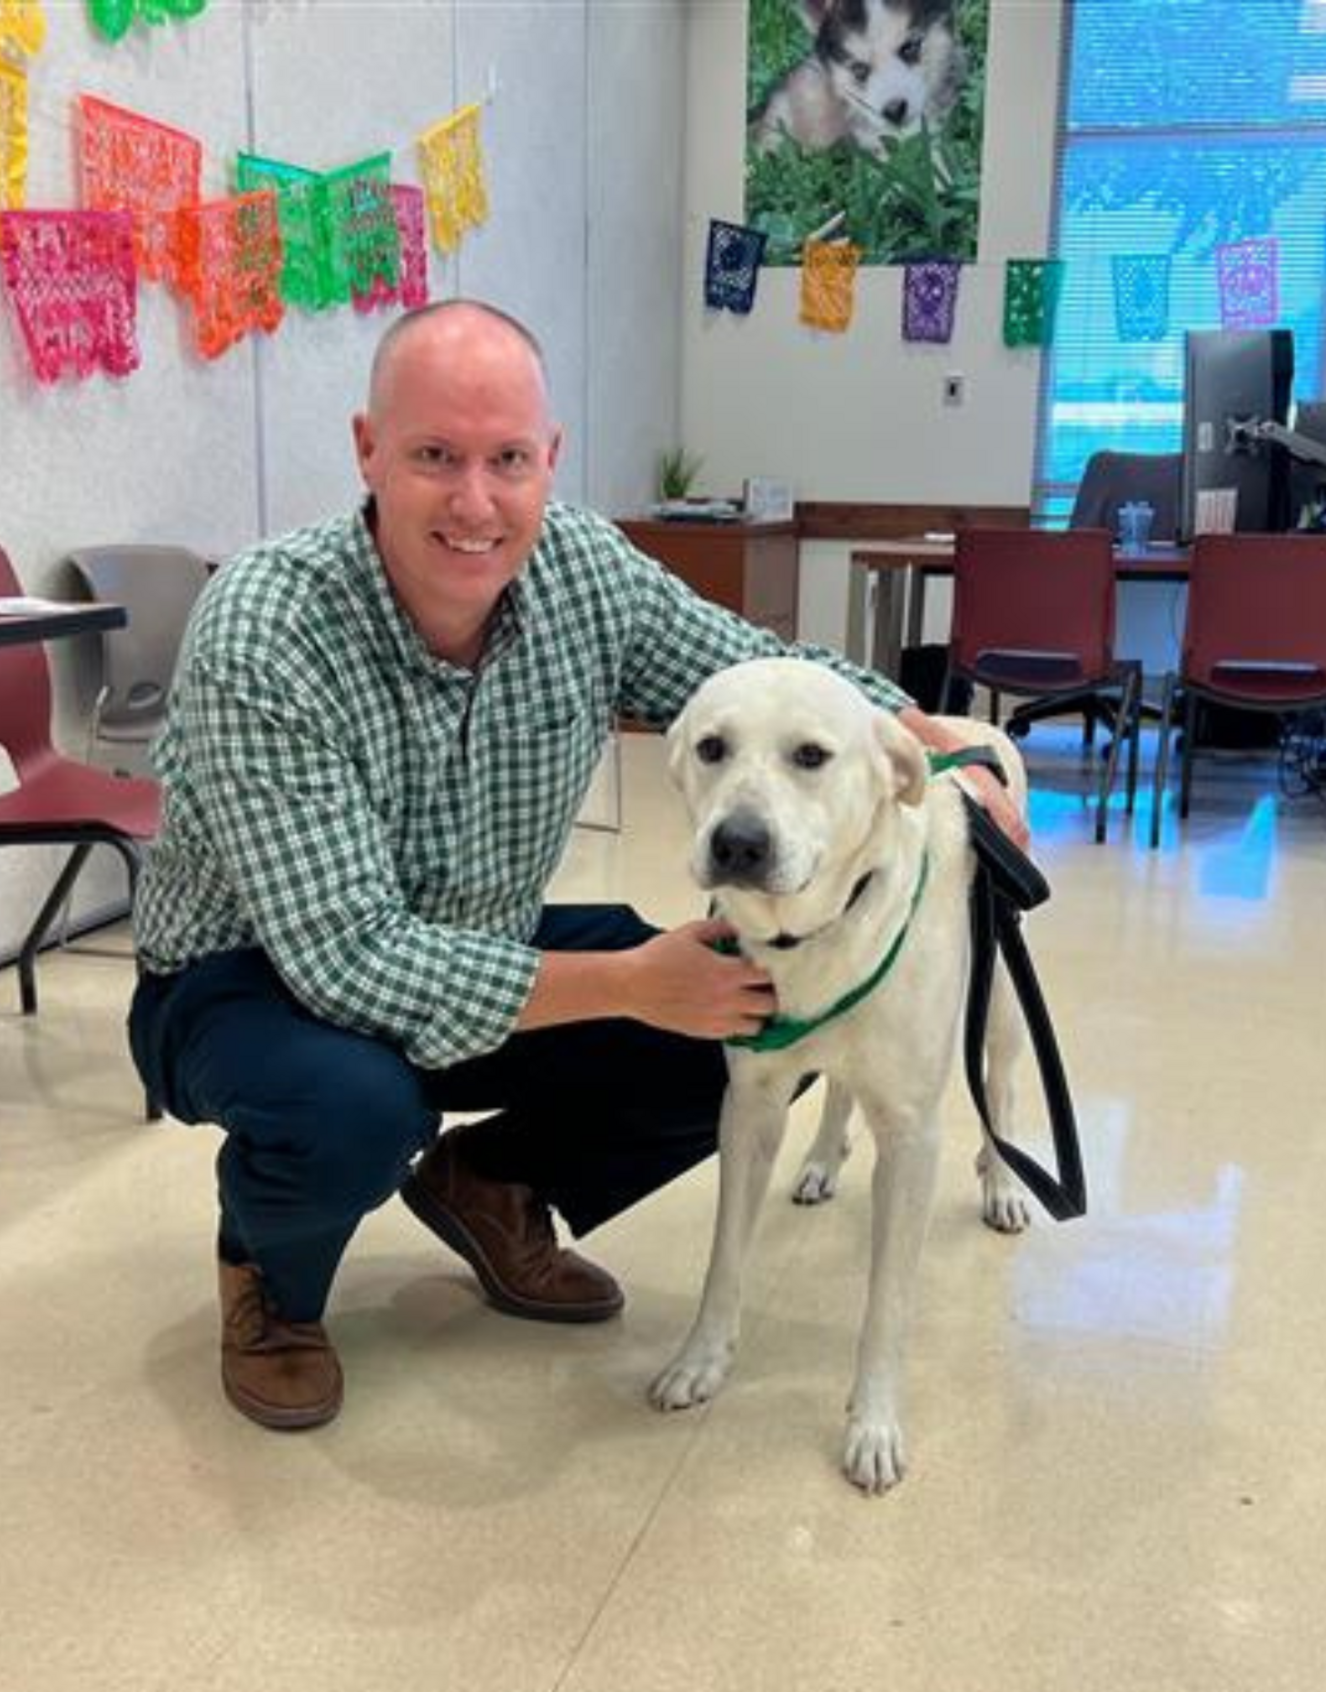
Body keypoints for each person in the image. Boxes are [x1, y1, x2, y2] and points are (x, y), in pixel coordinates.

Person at [128, 298, 1022, 1432]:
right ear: (368, 451)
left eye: (508, 459)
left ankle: (493, 1187)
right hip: (246, 985)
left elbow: (760, 667)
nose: (475, 501)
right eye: (434, 457)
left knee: (751, 1018)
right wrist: (632, 985)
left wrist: (934, 738)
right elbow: (345, 960)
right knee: (358, 1099)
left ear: (549, 459)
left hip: (477, 945)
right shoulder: (264, 626)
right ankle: (268, 1280)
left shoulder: (581, 571)